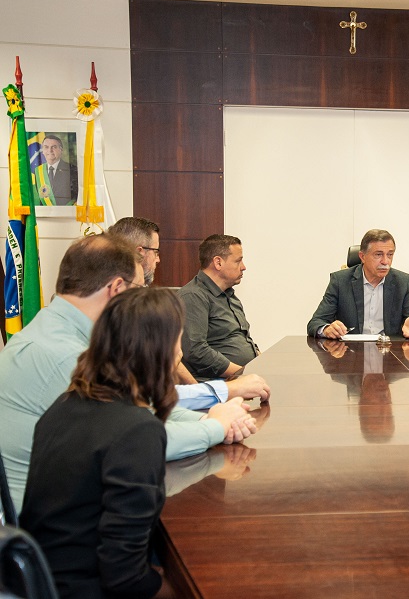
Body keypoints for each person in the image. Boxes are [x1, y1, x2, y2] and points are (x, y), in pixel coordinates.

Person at [0, 235, 256, 513]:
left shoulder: (60, 332)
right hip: (50, 531)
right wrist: (216, 427)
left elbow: (141, 407)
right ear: (116, 289)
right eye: (140, 288)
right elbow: (138, 441)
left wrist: (212, 417)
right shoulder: (64, 355)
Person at [19, 287, 183, 598]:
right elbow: (123, 578)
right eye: (177, 340)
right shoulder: (137, 431)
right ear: (156, 349)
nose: (180, 353)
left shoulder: (64, 405)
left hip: (45, 581)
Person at [108, 217, 271, 405]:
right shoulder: (192, 296)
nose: (159, 259)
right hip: (211, 384)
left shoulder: (229, 295)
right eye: (156, 252)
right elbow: (193, 351)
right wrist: (214, 392)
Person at [307, 229, 409, 339]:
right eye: (378, 254)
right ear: (362, 257)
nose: (385, 261)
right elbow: (316, 322)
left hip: (389, 352)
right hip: (350, 354)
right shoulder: (340, 281)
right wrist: (326, 329)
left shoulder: (403, 282)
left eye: (390, 254)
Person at [179, 234, 260, 380]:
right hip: (217, 384)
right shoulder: (192, 296)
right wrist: (243, 373)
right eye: (238, 261)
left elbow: (243, 338)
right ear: (218, 263)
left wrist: (262, 363)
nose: (244, 267)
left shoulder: (229, 296)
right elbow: (196, 351)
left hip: (241, 379)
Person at [41, 133, 78, 204]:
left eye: (54, 147)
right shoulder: (38, 171)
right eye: (46, 147)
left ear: (61, 150)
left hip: (65, 212)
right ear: (42, 150)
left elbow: (76, 197)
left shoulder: (72, 170)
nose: (50, 150)